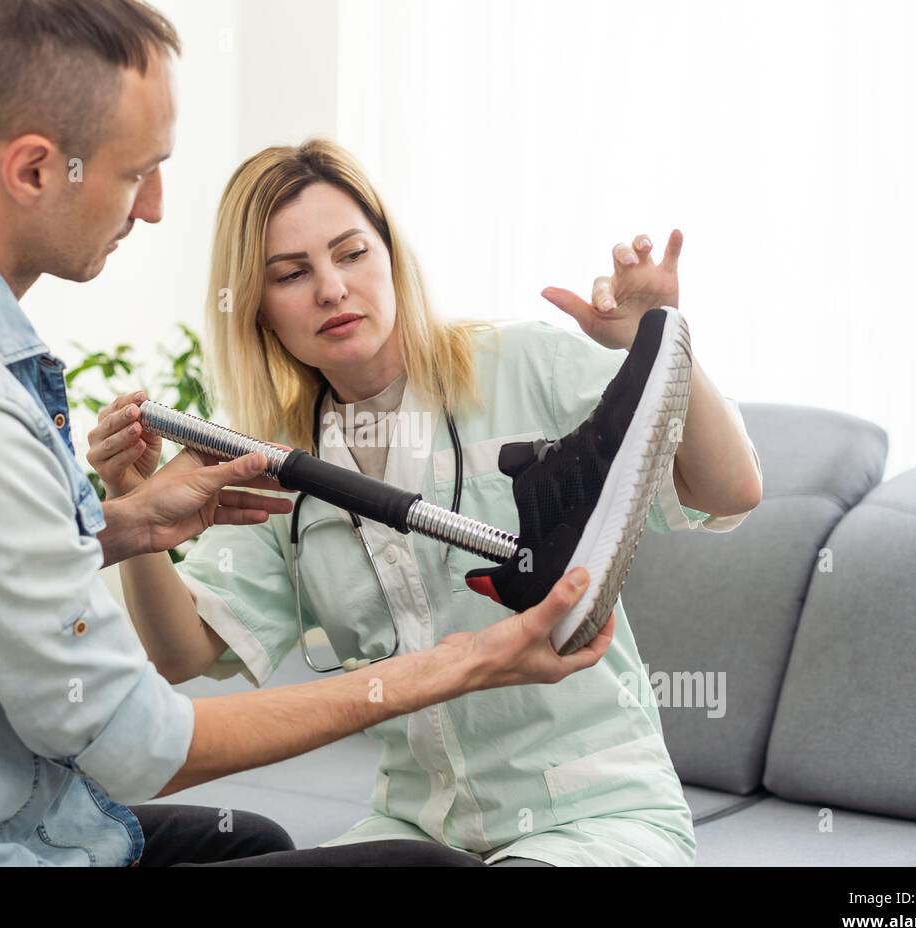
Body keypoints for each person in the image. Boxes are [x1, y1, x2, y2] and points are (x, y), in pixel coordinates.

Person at [0, 0, 614, 867]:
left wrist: (128, 523)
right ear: (35, 170)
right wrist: (456, 663)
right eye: (135, 172)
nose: (152, 208)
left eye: (351, 254)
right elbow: (142, 742)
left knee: (256, 840)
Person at [90, 139, 764, 866]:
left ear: (390, 255)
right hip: (418, 826)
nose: (332, 289)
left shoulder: (525, 365)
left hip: (595, 818)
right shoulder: (276, 455)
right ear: (256, 307)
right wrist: (134, 510)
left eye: (351, 253)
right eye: (292, 274)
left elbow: (730, 492)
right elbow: (182, 651)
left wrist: (666, 345)